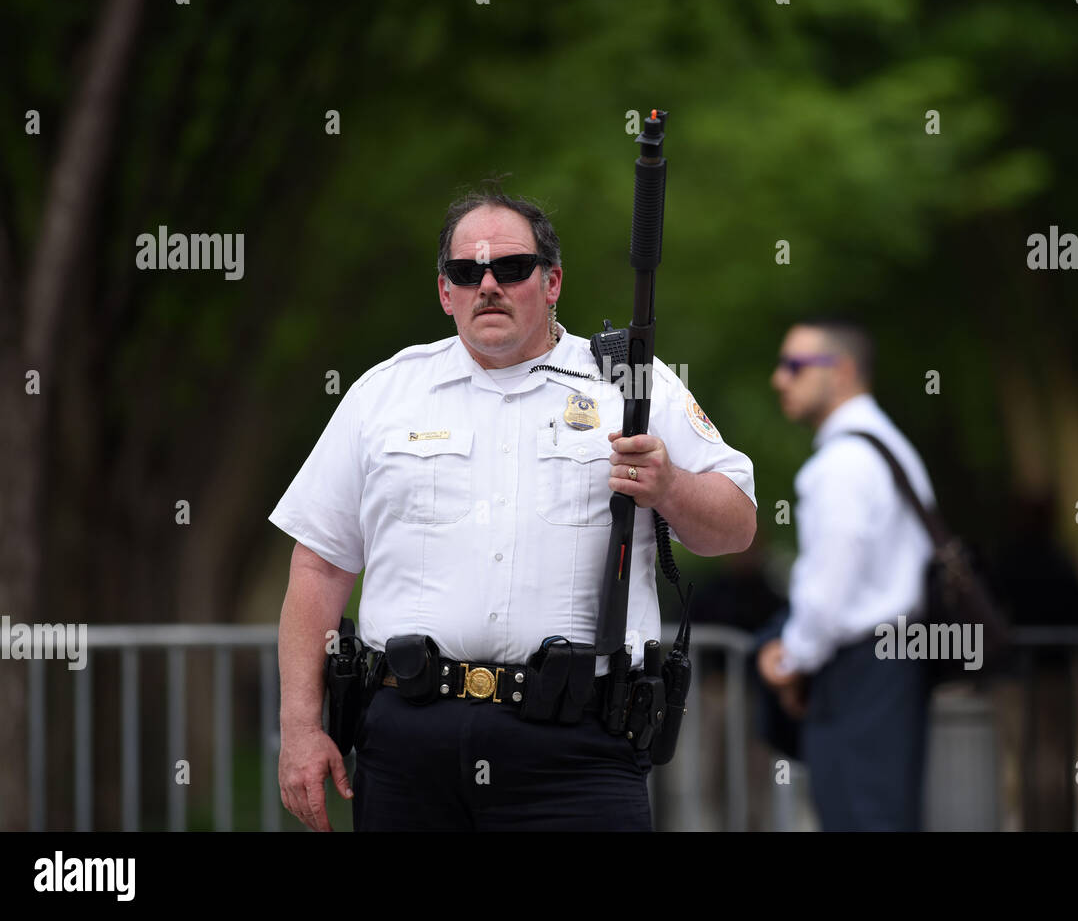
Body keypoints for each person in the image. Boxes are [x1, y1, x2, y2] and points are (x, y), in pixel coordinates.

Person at [271, 189, 757, 831]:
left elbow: (738, 525)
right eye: (466, 273)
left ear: (552, 281)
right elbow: (319, 569)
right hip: (410, 745)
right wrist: (300, 727)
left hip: (575, 749)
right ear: (445, 292)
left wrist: (669, 486)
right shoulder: (384, 394)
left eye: (512, 268)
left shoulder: (630, 386)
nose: (488, 285)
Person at [756, 317, 934, 831]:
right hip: (890, 665)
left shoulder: (843, 463)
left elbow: (827, 590)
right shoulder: (887, 446)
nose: (779, 379)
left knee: (859, 815)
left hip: (858, 672)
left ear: (843, 371)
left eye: (795, 366)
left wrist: (790, 659)